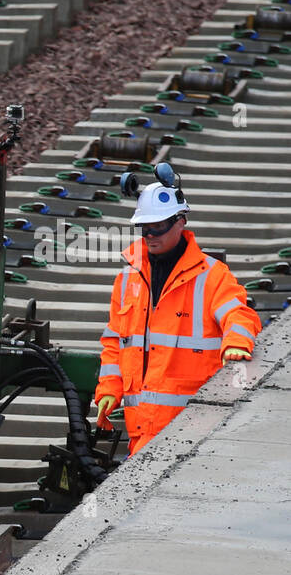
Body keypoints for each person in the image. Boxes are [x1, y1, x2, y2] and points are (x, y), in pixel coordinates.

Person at [94, 180, 260, 454]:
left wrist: (236, 343)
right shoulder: (126, 280)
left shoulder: (211, 276)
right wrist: (110, 388)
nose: (150, 234)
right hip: (141, 430)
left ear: (180, 222)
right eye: (144, 227)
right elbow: (114, 342)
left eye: (158, 226)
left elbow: (239, 314)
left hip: (192, 431)